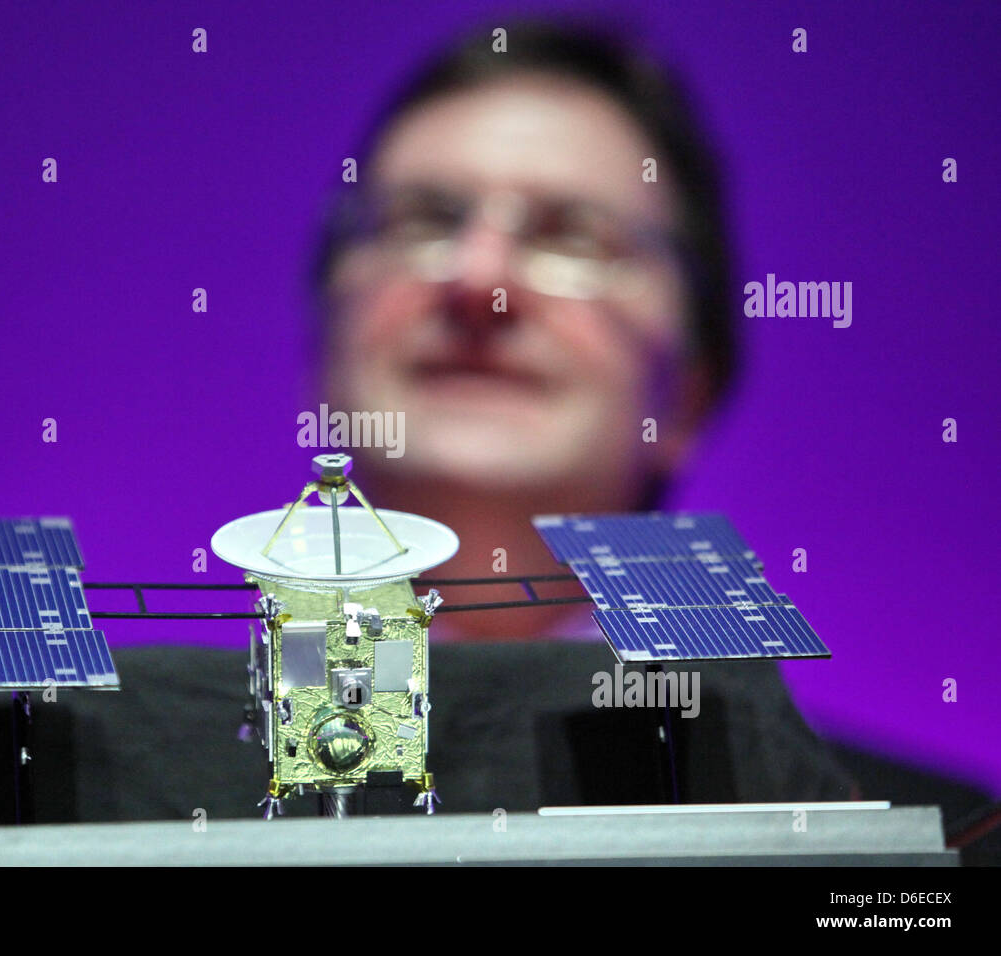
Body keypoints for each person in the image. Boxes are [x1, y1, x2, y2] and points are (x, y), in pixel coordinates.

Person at [313, 20, 736, 639]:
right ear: (323, 352)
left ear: (689, 396)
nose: (482, 279)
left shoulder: (768, 741)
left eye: (573, 238)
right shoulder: (146, 732)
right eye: (422, 223)